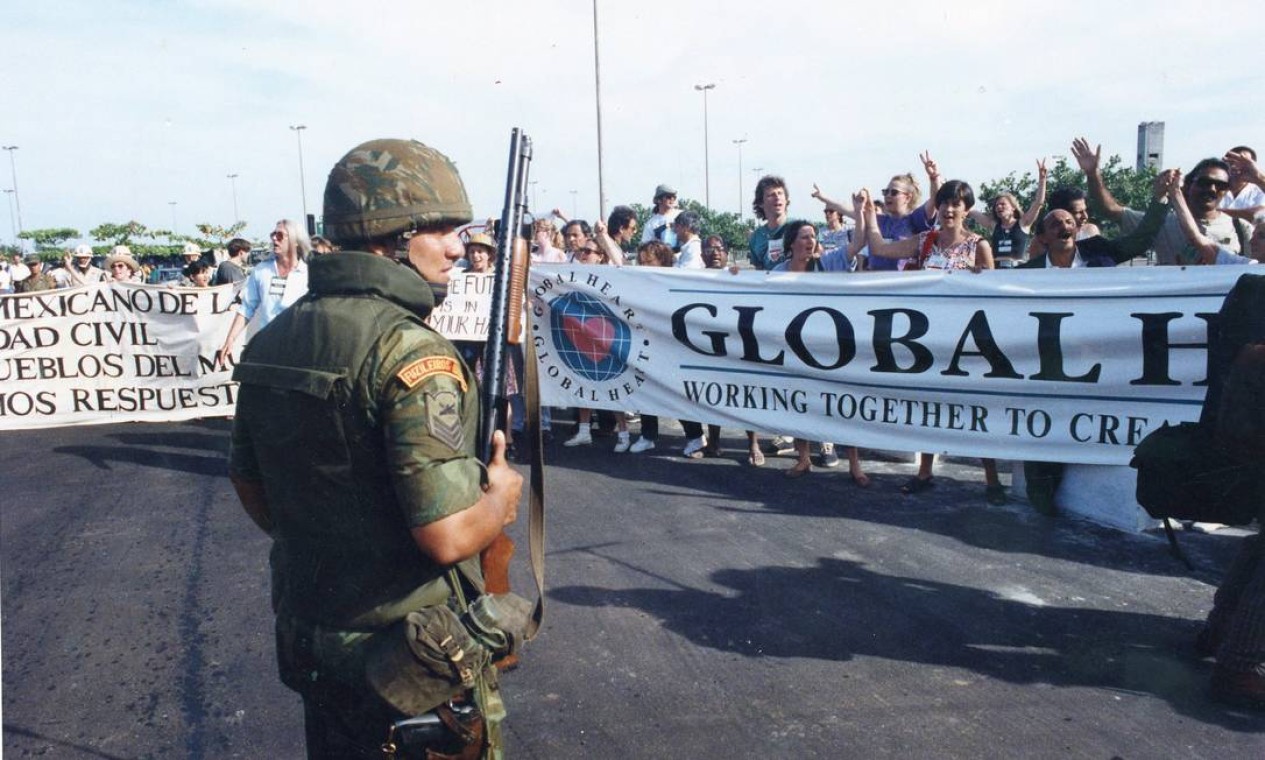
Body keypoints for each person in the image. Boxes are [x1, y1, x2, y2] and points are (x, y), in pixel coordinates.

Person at [229, 138, 524, 758]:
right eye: (441, 230)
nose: (456, 247)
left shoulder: (274, 339)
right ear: (390, 238)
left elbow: (251, 487)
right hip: (409, 658)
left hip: (313, 631)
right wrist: (499, 498)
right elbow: (448, 536)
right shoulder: (412, 351)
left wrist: (338, 545)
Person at [860, 180, 1005, 503]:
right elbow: (880, 248)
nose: (949, 209)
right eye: (944, 203)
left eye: (956, 204)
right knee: (928, 407)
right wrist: (868, 214)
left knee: (977, 410)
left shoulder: (979, 246)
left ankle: (992, 479)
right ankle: (924, 472)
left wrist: (978, 280)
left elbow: (995, 299)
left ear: (967, 209)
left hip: (968, 345)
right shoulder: (925, 240)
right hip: (928, 342)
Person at [1072, 137, 1251, 264]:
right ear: (1188, 185)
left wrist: (1258, 179)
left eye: (1220, 185)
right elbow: (1109, 210)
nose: (1212, 189)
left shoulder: (1240, 228)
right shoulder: (1162, 222)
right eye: (1204, 182)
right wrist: (1093, 174)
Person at [215, 219, 310, 366]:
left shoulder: (308, 274)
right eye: (273, 234)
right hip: (268, 348)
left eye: (280, 235)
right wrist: (230, 339)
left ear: (295, 241)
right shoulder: (261, 270)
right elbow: (246, 308)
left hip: (299, 350)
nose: (274, 238)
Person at [967, 159, 1048, 266]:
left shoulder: (1024, 223)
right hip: (997, 270)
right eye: (996, 205)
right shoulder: (994, 225)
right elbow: (971, 211)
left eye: (1003, 204)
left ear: (1013, 207)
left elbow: (1038, 203)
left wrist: (1042, 179)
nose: (999, 207)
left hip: (1017, 270)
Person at [747, 175, 791, 270]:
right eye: (771, 195)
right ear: (760, 203)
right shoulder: (756, 237)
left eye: (780, 193)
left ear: (786, 200)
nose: (777, 197)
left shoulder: (800, 228)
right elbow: (758, 269)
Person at [1219, 146, 1265, 223]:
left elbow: (1259, 214)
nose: (1235, 167)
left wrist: (1214, 212)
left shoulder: (1261, 189)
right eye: (1232, 162)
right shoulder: (1211, 188)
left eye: (1242, 163)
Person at [641, 184, 681, 249]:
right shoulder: (651, 224)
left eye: (674, 197)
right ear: (659, 200)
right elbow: (646, 247)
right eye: (668, 197)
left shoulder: (681, 215)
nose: (672, 199)